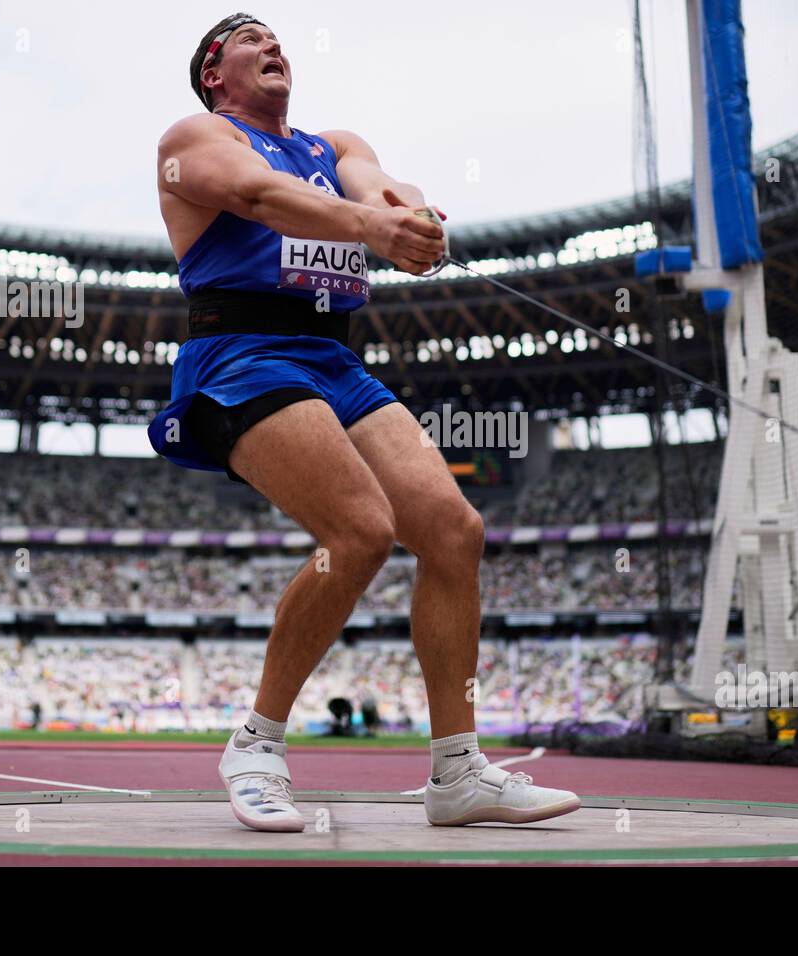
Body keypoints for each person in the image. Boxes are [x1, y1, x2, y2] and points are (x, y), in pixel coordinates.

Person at [148, 14, 579, 830]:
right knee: (360, 532)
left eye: (277, 39)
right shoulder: (194, 135)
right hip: (244, 353)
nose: (273, 47)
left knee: (455, 529)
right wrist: (373, 228)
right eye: (249, 39)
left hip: (335, 362)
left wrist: (412, 216)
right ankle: (255, 744)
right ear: (214, 72)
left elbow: (381, 185)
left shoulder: (332, 143)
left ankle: (458, 773)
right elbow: (255, 195)